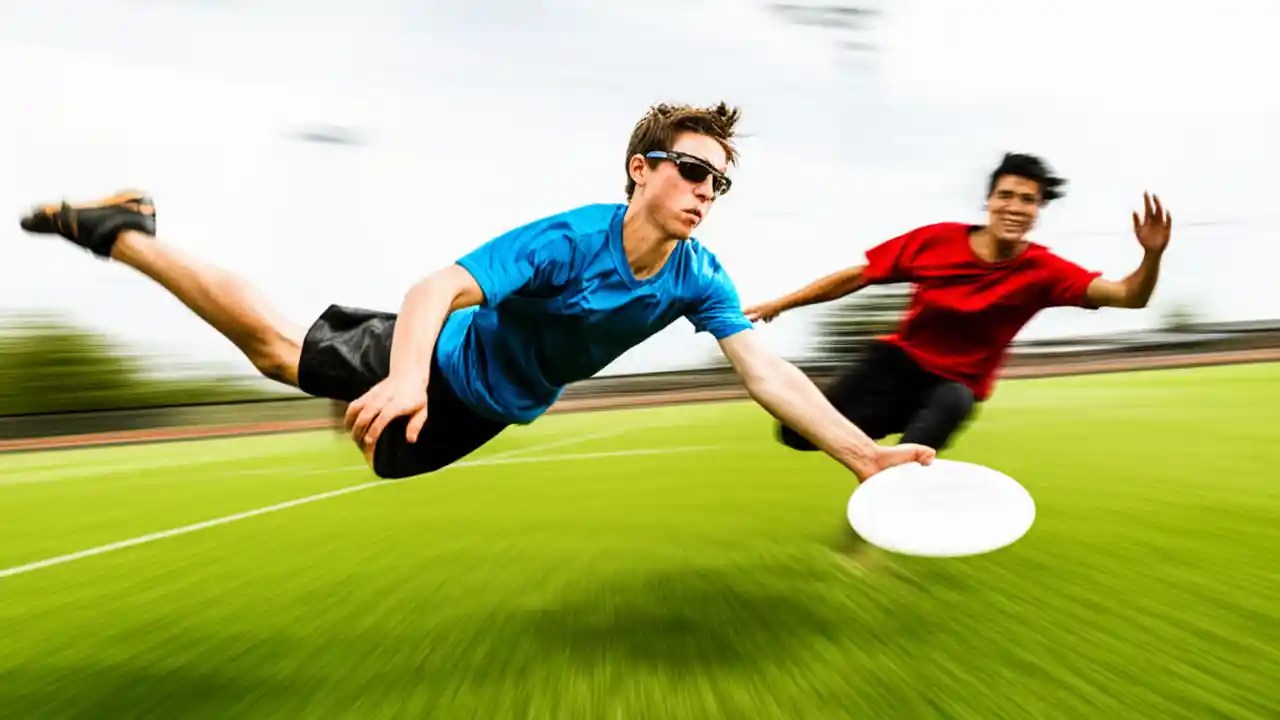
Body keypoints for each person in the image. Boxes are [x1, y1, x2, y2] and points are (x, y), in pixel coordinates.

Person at [19, 101, 935, 481]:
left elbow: (766, 372)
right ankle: (127, 230)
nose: (706, 191)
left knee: (384, 463)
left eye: (719, 182)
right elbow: (436, 287)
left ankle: (351, 386)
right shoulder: (569, 240)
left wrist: (863, 456)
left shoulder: (700, 278)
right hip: (432, 359)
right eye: (692, 169)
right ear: (640, 169)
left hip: (490, 406)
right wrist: (406, 376)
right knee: (273, 349)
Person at [744, 152, 1173, 453]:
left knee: (939, 420)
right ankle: (886, 425)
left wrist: (1151, 255)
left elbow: (1129, 296)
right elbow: (860, 275)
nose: (1015, 207)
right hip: (896, 368)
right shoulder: (938, 241)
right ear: (989, 201)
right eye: (1006, 195)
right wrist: (783, 302)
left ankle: (868, 533)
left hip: (953, 388)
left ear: (1038, 210)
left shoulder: (1044, 271)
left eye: (1028, 200)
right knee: (795, 434)